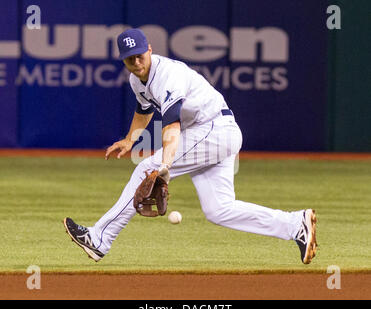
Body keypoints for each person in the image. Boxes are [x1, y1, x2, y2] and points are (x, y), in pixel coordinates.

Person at [63, 28, 317, 264]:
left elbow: (171, 125)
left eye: (140, 56)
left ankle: (99, 239)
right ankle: (295, 225)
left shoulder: (168, 75)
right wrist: (130, 139)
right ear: (123, 60)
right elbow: (144, 110)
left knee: (147, 169)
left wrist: (164, 166)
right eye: (130, 59)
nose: (137, 63)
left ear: (149, 49)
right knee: (219, 209)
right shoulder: (136, 80)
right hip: (211, 134)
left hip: (214, 129)